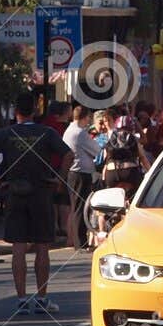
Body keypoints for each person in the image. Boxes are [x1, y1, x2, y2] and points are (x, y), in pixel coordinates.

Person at [0, 103, 70, 314]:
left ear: (16, 112)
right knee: (42, 245)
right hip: (41, 192)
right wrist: (59, 178)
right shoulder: (47, 132)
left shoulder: (5, 133)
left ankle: (22, 300)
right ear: (34, 111)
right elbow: (68, 155)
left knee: (18, 247)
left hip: (15, 193)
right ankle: (42, 298)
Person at [61, 105, 98, 250]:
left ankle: (77, 239)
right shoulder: (80, 133)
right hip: (81, 173)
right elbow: (97, 150)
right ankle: (81, 241)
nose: (89, 121)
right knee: (81, 207)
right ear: (85, 117)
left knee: (75, 206)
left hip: (73, 173)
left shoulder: (69, 131)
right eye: (89, 117)